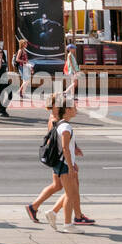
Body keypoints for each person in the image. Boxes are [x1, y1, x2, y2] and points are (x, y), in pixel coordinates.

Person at [45, 97, 93, 231]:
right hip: (64, 165)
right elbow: (65, 148)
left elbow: (66, 148)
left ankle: (53, 213)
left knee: (70, 193)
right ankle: (67, 224)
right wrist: (71, 166)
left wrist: (72, 161)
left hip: (61, 164)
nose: (76, 110)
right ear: (67, 110)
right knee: (71, 194)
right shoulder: (65, 127)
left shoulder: (61, 124)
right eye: (74, 108)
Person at [25, 95, 68, 225]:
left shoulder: (53, 117)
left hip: (56, 156)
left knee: (58, 186)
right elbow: (59, 139)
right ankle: (75, 214)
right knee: (69, 189)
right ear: (55, 105)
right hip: (58, 157)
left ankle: (34, 207)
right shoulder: (55, 119)